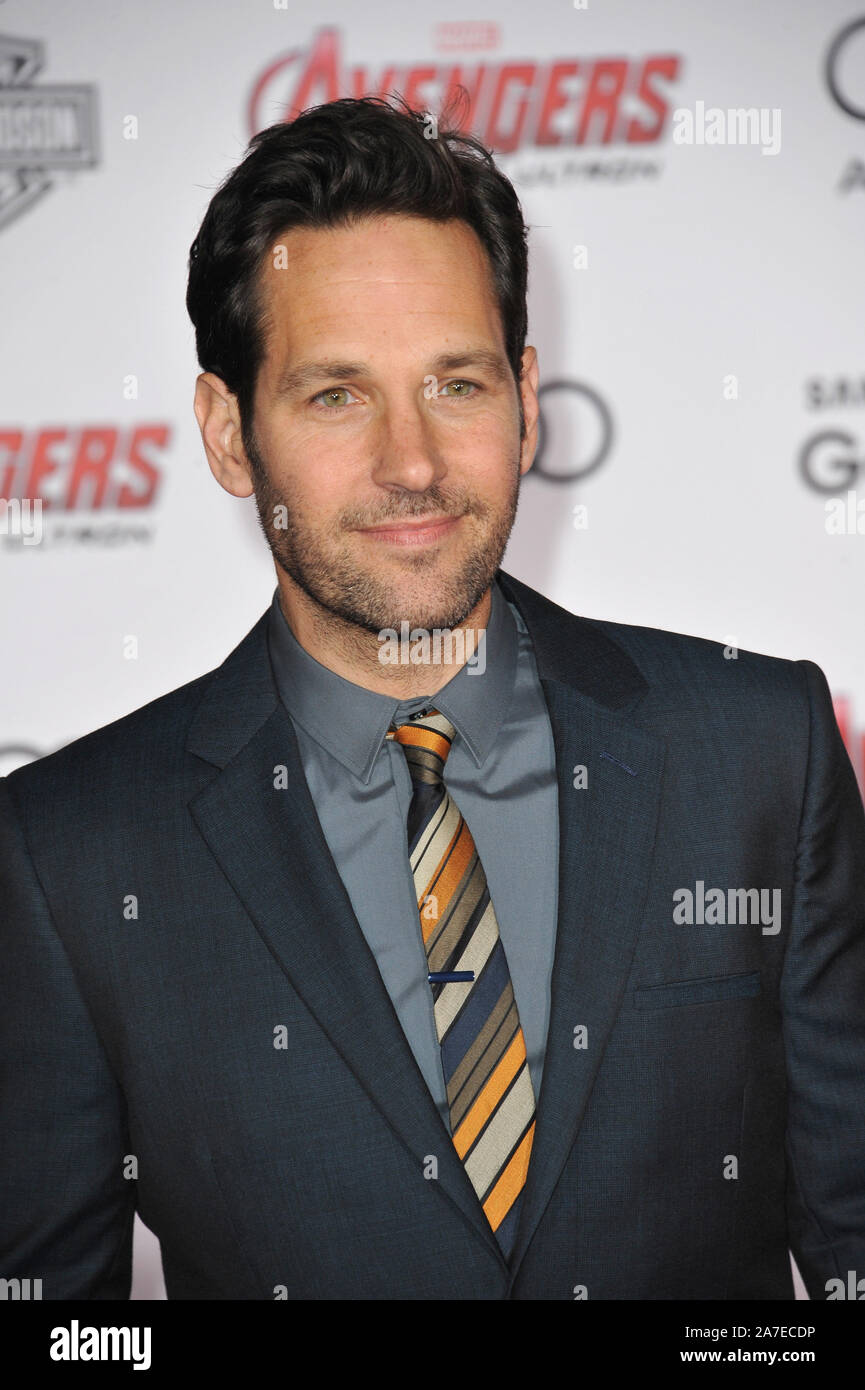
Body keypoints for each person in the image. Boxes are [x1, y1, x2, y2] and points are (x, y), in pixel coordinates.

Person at [1, 94, 863, 1302]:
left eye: (455, 383)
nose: (411, 462)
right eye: (335, 395)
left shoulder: (757, 751)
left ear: (523, 399)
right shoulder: (66, 853)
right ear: (228, 431)